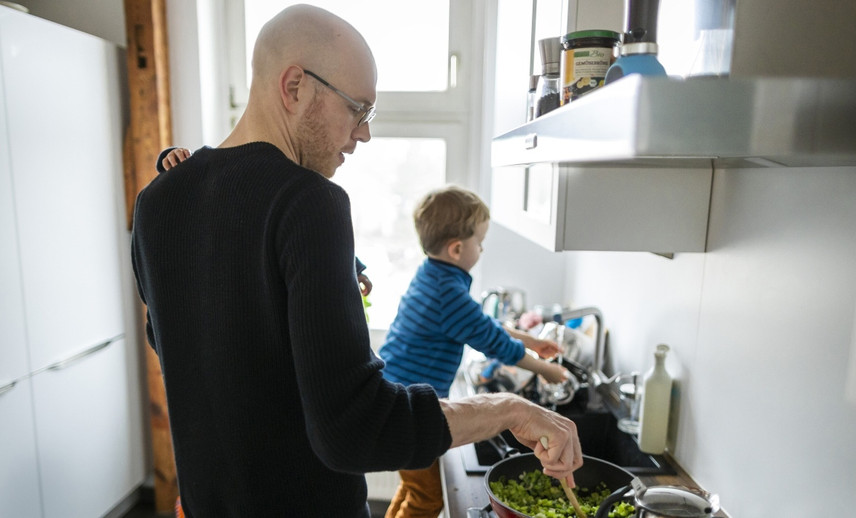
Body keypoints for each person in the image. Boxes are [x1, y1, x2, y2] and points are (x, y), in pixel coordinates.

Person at [130, 4, 582, 518]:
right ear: (294, 86)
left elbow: (182, 342)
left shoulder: (157, 200)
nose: (363, 133)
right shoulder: (310, 201)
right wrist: (507, 409)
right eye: (357, 110)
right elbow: (355, 430)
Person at [378, 185, 570, 518]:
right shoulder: (447, 292)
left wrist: (533, 341)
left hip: (395, 398)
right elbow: (495, 343)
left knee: (415, 489)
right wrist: (549, 370)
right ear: (456, 249)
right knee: (427, 497)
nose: (481, 250)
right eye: (479, 243)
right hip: (407, 409)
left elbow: (479, 323)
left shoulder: (433, 275)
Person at [157, 146, 373, 295]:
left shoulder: (300, 197)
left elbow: (320, 238)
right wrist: (170, 155)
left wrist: (355, 269)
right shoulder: (233, 179)